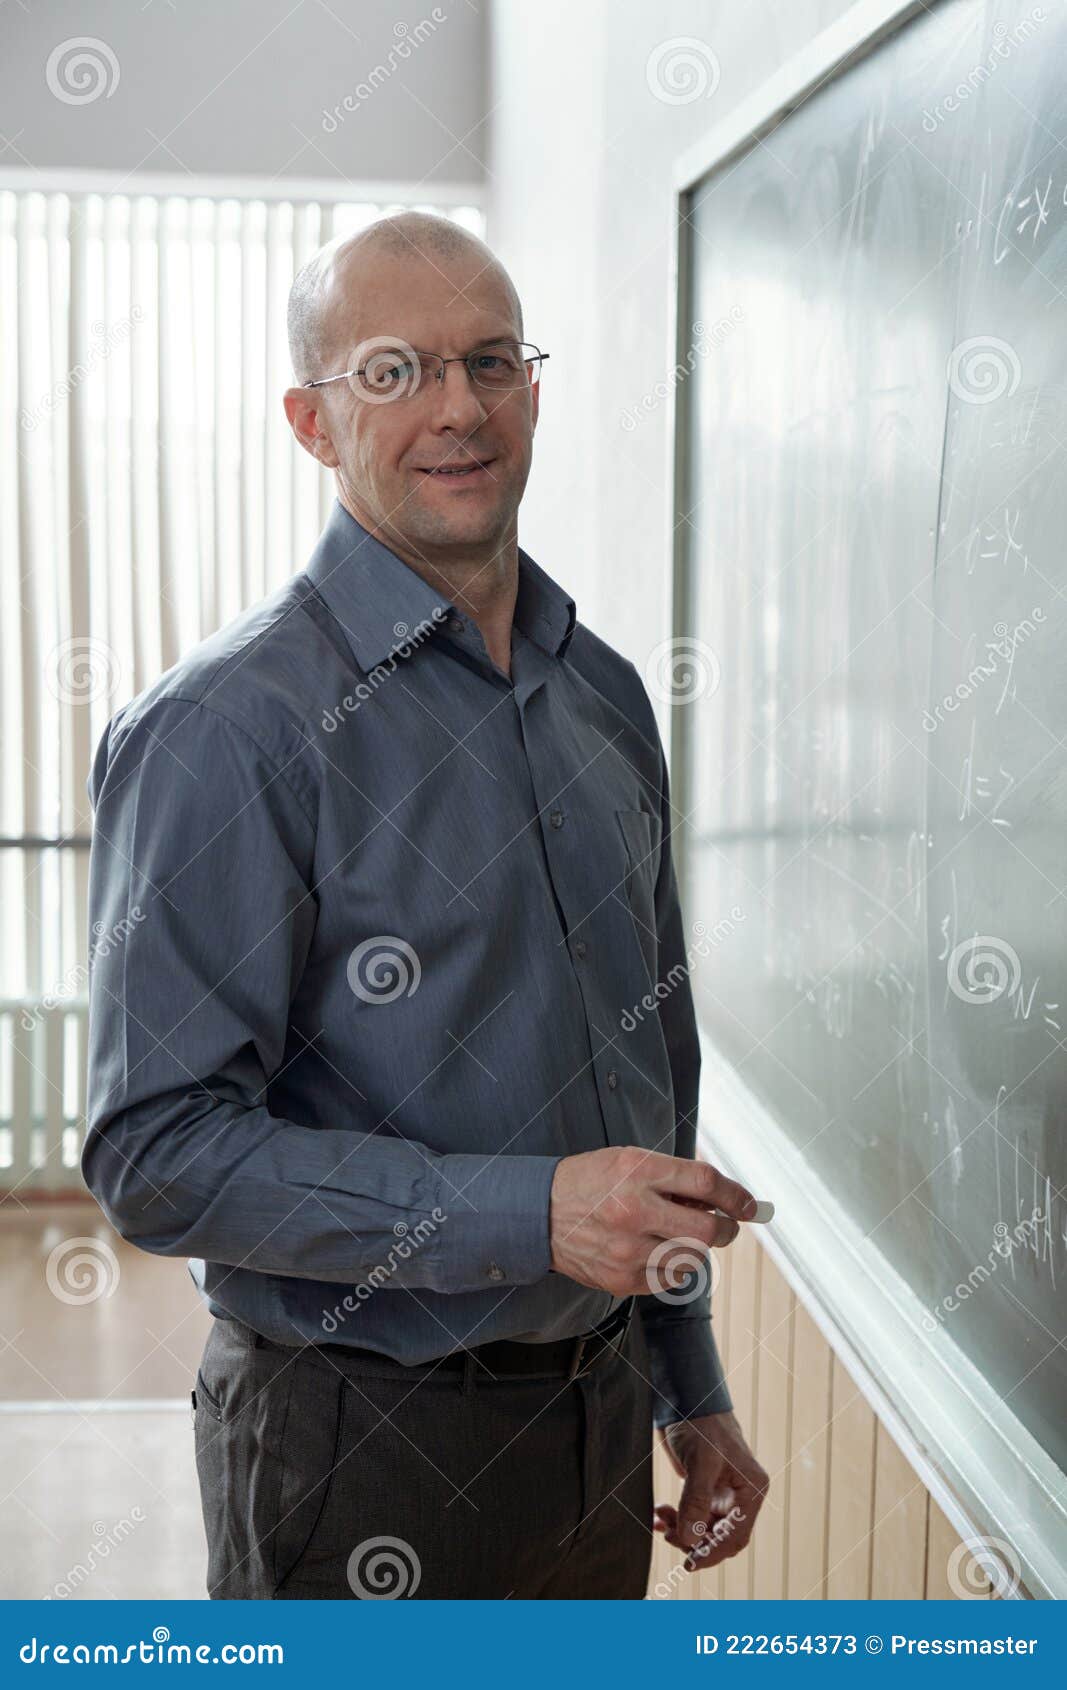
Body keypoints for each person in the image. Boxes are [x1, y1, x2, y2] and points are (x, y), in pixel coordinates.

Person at [82, 211, 768, 1599]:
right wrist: (529, 1218)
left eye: (491, 361)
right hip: (356, 1446)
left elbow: (653, 1071)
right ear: (311, 420)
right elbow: (155, 1150)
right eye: (393, 371)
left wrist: (683, 1375)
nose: (457, 407)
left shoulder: (607, 697)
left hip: (597, 1430)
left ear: (533, 388)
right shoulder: (229, 729)